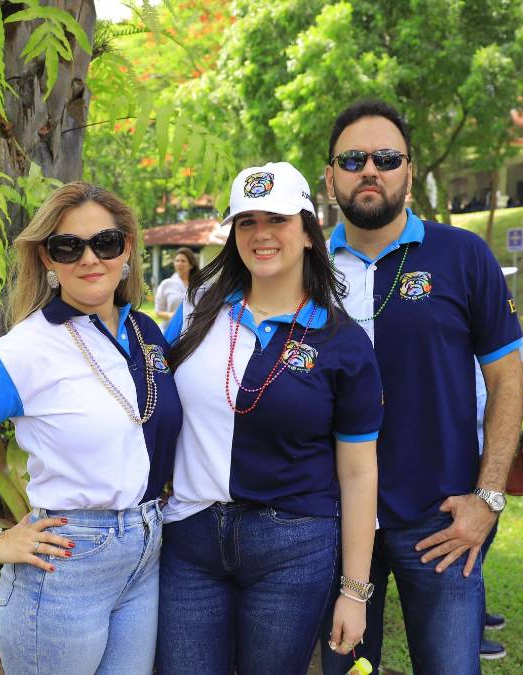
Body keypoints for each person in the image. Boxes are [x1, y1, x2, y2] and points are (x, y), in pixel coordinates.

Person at [0, 182, 182, 674]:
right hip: (66, 567)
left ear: (127, 251)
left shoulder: (145, 331)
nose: (90, 259)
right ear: (48, 260)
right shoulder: (23, 352)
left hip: (143, 560)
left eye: (106, 242)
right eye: (68, 247)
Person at [318, 100, 523, 675]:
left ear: (409, 170)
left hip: (441, 522)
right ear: (330, 174)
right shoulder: (304, 265)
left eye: (386, 157)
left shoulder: (462, 255)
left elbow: (508, 384)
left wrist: (488, 499)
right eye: (353, 158)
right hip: (330, 518)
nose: (370, 170)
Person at [155, 162, 383, 674]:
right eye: (246, 221)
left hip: (293, 546)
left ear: (307, 231)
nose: (261, 234)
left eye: (276, 219)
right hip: (190, 540)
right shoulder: (194, 314)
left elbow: (358, 471)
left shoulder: (344, 342)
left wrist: (354, 590)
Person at [475, 356, 523, 661]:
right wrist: (517, 380)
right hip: (471, 462)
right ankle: (471, 632)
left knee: (481, 550)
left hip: (485, 463)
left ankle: (476, 613)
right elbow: (480, 403)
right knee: (470, 557)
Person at [155, 247, 199, 328]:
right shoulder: (166, 284)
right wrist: (174, 316)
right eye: (177, 261)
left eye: (183, 261)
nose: (179, 264)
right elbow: (158, 312)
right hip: (170, 331)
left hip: (193, 332)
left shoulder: (199, 286)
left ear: (191, 265)